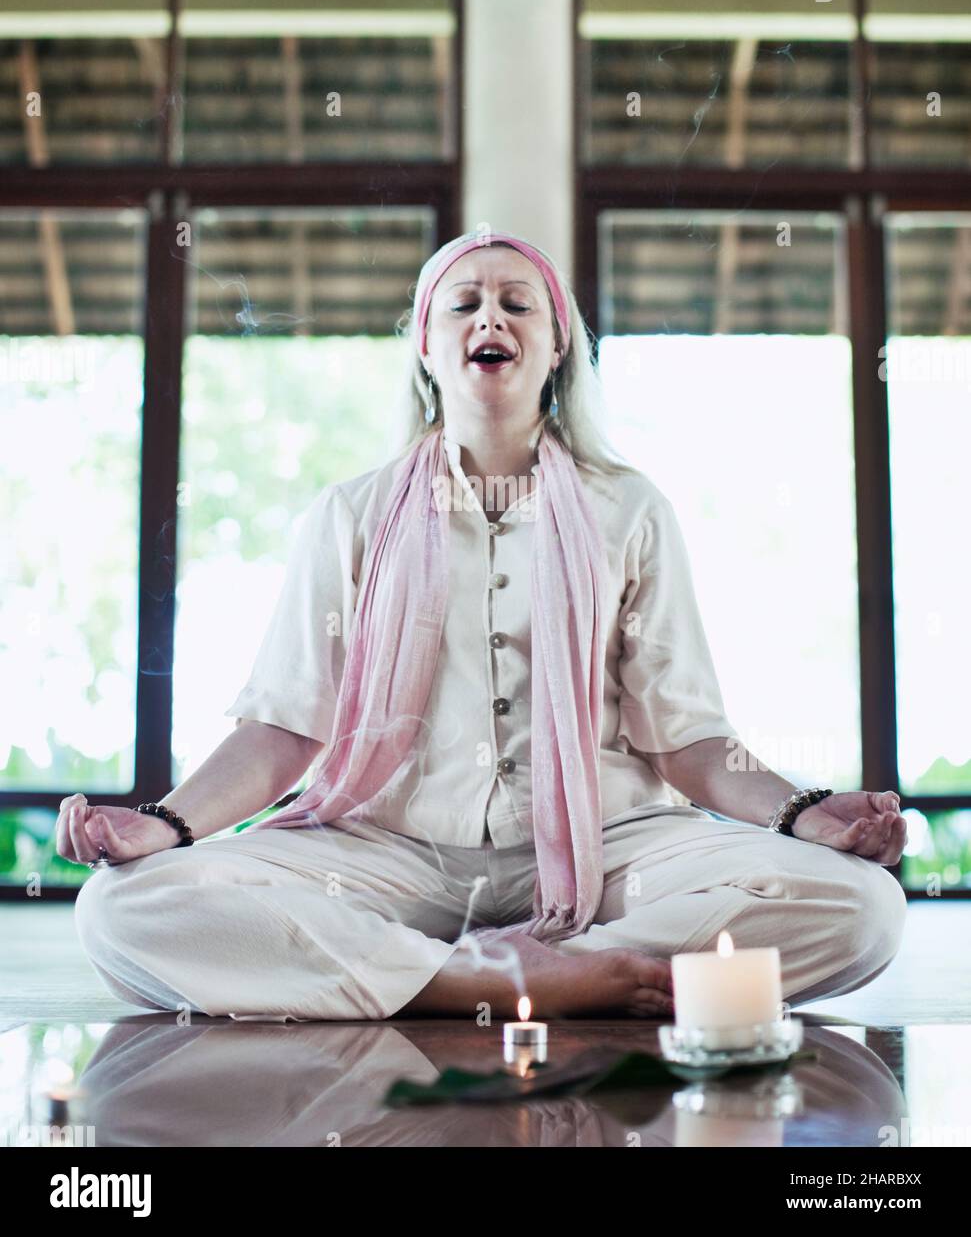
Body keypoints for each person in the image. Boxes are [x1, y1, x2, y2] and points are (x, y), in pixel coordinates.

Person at [64, 229, 908, 1023]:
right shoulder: (349, 513)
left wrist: (802, 813)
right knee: (122, 907)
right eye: (462, 304)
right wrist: (165, 825)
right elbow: (283, 727)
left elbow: (685, 739)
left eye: (516, 302)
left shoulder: (629, 510)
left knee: (862, 906)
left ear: (556, 345)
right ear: (427, 347)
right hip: (388, 848)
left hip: (616, 848)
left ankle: (536, 963)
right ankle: (488, 978)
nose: (489, 317)